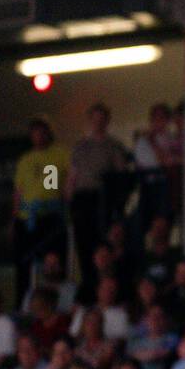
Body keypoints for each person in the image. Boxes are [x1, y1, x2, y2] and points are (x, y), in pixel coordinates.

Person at [68, 103, 130, 294]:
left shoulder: (114, 145)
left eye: (102, 119)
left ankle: (105, 285)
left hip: (103, 200)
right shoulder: (80, 146)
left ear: (107, 120)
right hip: (81, 200)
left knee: (102, 245)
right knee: (83, 245)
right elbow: (72, 174)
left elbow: (122, 175)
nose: (98, 122)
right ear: (90, 120)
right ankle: (88, 284)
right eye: (95, 118)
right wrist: (67, 197)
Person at [12, 118, 70, 300]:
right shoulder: (25, 159)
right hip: (27, 217)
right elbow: (18, 191)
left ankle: (58, 299)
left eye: (42, 131)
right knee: (24, 262)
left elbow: (51, 185)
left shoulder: (57, 155)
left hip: (49, 215)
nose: (39, 135)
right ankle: (23, 301)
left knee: (53, 261)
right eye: (35, 132)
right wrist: (15, 219)